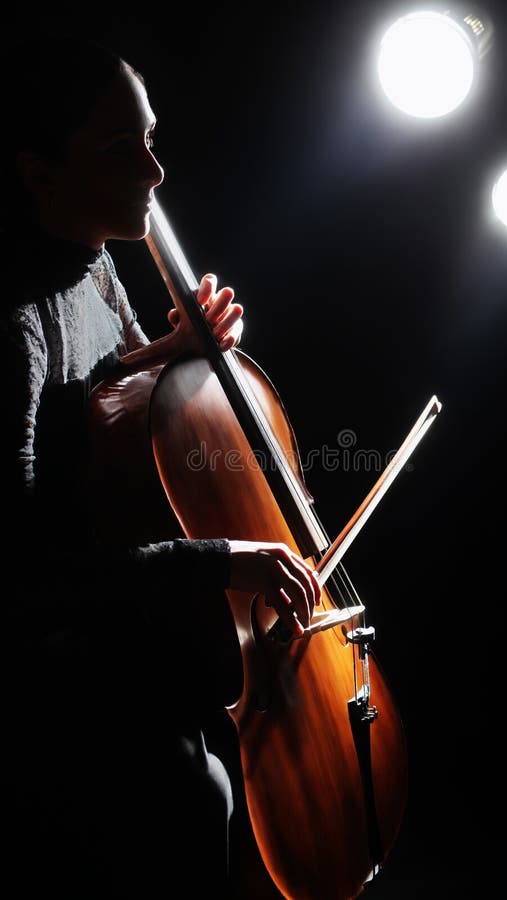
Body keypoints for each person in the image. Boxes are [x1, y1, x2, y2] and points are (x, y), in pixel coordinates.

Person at [0, 33, 321, 899]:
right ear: (38, 175)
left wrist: (177, 351)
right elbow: (24, 575)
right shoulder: (13, 326)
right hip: (54, 668)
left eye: (151, 137)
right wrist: (220, 560)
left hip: (134, 629)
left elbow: (119, 394)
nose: (155, 171)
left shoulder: (95, 254)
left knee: (207, 777)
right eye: (119, 149)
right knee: (193, 795)